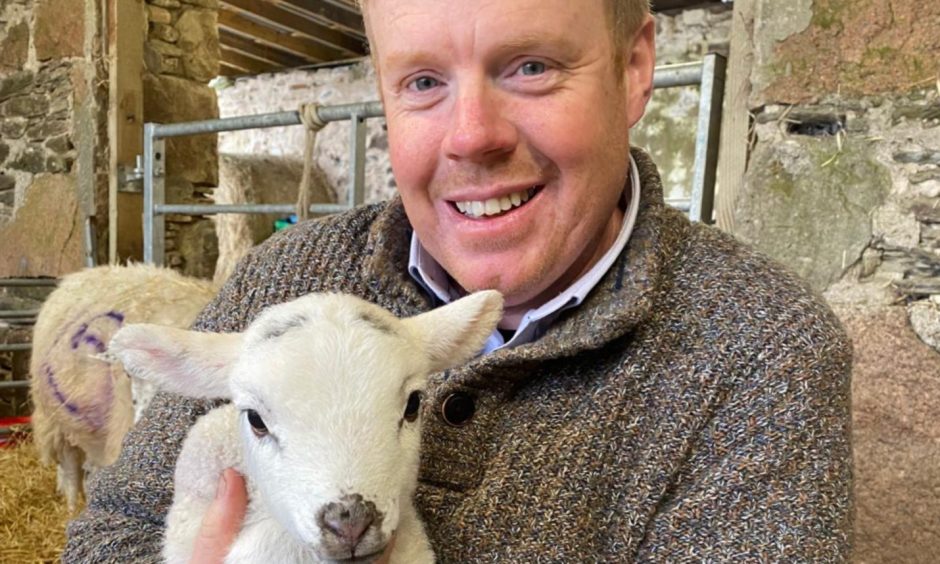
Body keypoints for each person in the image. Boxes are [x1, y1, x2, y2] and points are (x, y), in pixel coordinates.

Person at [64, 0, 853, 561]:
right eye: (422, 82)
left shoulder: (759, 352)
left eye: (532, 67)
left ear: (633, 68)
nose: (472, 137)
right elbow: (114, 534)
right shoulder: (286, 280)